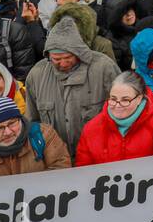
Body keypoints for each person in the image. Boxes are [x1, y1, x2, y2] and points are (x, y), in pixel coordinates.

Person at [24, 14, 120, 156]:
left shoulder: (104, 67)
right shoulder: (36, 75)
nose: (62, 63)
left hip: (100, 155)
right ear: (48, 55)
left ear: (79, 53)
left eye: (68, 58)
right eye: (56, 59)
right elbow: (32, 121)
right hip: (58, 159)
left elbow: (123, 112)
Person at [75, 71, 153, 166]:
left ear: (139, 99)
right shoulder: (91, 128)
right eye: (113, 99)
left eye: (125, 100)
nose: (117, 105)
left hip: (147, 184)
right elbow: (84, 170)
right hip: (105, 186)